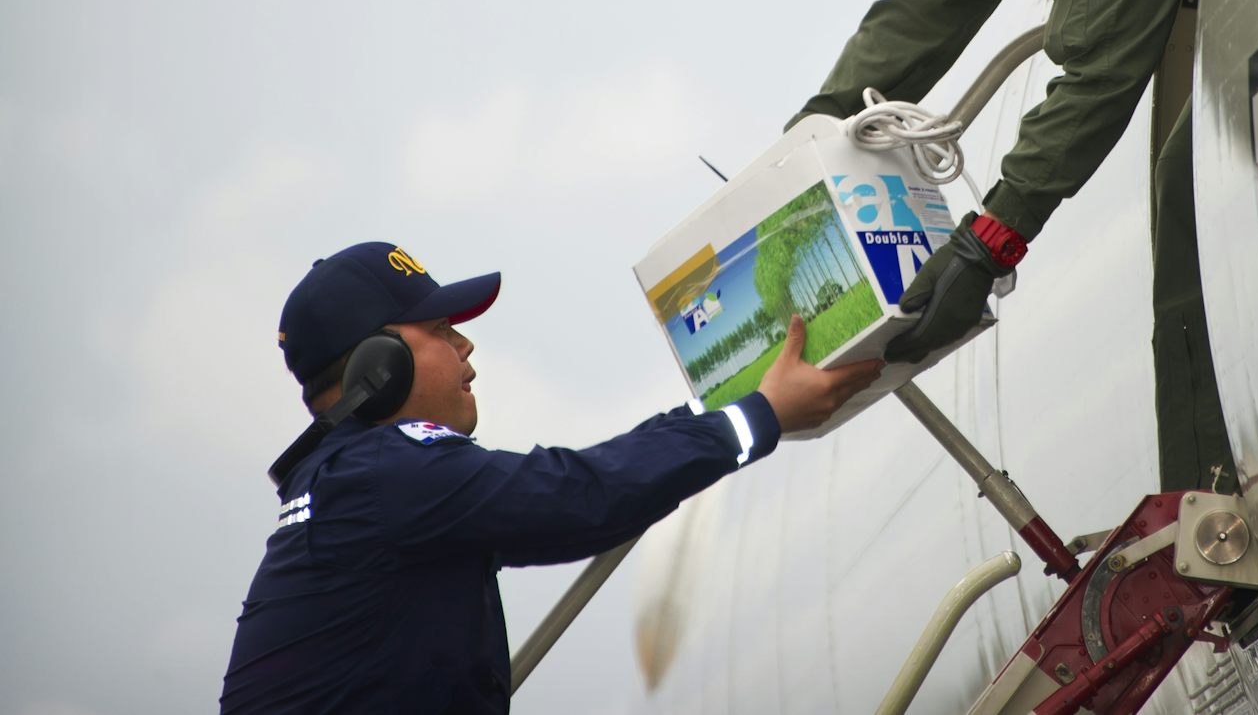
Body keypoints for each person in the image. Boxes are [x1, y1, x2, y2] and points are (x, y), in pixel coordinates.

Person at [791, 0, 1233, 493]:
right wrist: (807, 148)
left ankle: (1211, 499)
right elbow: (931, 4)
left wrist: (985, 243)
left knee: (1194, 178)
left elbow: (1101, 72)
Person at [220, 240, 880, 712]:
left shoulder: (351, 480)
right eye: (443, 329)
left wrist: (726, 403)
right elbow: (580, 495)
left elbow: (579, 484)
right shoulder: (387, 472)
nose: (466, 346)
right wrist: (758, 416)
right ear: (379, 366)